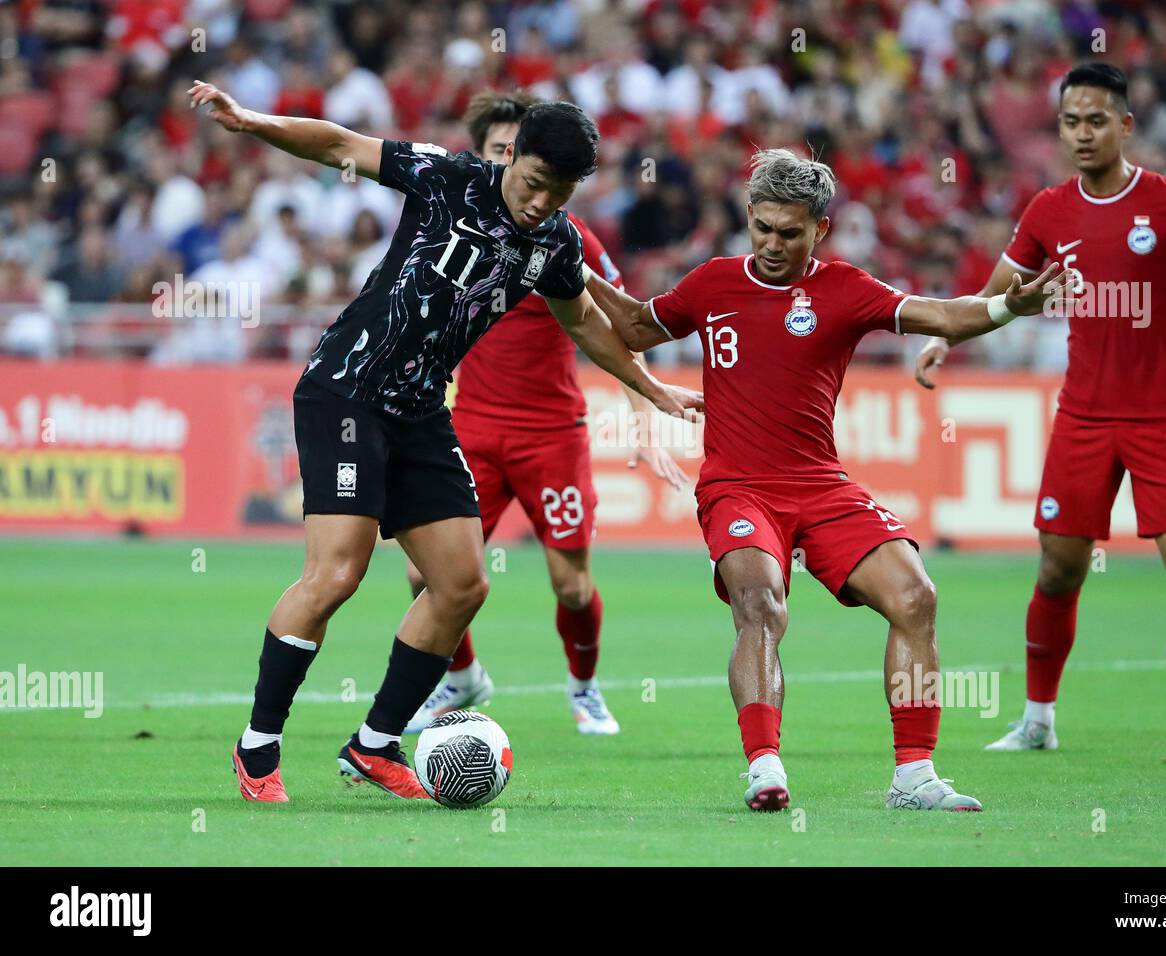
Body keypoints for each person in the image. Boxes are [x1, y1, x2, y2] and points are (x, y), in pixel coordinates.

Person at [187, 80, 702, 802]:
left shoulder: (554, 241)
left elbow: (585, 323)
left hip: (421, 411)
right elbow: (340, 144)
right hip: (346, 389)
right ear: (511, 157)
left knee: (462, 583)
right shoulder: (447, 177)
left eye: (561, 193)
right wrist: (252, 123)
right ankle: (257, 747)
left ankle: (373, 745)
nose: (542, 203)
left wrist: (653, 390)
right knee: (338, 573)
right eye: (534, 183)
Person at [586, 147, 1068, 812]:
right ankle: (764, 766)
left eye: (790, 232)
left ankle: (914, 777)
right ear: (748, 218)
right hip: (738, 487)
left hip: (821, 486)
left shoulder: (845, 289)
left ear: (820, 229)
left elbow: (943, 315)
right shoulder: (713, 283)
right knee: (759, 604)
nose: (773, 244)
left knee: (916, 597)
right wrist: (576, 272)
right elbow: (638, 322)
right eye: (762, 228)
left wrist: (1007, 308)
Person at [914, 63, 1166, 751]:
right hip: (1082, 417)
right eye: (1071, 122)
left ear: (1125, 125)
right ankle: (1038, 719)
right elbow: (998, 294)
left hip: (1164, 417)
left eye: (1096, 120)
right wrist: (942, 342)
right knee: (1057, 569)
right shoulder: (1049, 210)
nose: (1082, 133)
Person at [403, 91, 688, 737]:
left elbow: (617, 326)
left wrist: (644, 420)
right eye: (498, 150)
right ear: (485, 156)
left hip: (550, 435)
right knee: (425, 570)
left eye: (517, 149)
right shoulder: (452, 220)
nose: (508, 160)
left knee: (571, 585)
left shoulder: (568, 238)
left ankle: (584, 688)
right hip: (470, 426)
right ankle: (461, 678)